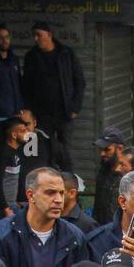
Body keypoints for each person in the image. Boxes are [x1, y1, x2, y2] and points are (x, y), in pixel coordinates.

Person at [21, 22, 85, 172]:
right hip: (42, 114)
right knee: (43, 147)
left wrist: (75, 107)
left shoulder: (66, 54)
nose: (36, 39)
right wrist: (29, 109)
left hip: (64, 112)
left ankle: (69, 182)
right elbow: (26, 85)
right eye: (34, 35)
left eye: (39, 35)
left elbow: (79, 81)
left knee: (66, 150)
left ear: (49, 35)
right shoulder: (32, 56)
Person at [91, 125, 126, 227]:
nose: (102, 153)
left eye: (107, 149)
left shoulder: (127, 175)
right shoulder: (103, 171)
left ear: (120, 149)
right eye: (100, 149)